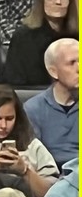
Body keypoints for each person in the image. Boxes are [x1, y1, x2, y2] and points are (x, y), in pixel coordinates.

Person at [0, 85, 60, 197]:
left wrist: (24, 171)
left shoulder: (32, 146)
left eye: (9, 119)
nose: (3, 126)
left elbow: (52, 194)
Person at [3, 0, 78, 86]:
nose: (58, 1)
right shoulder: (23, 37)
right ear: (41, 1)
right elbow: (14, 81)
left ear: (70, 2)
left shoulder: (77, 36)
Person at [24, 38, 79, 169]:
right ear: (53, 71)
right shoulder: (33, 109)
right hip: (50, 176)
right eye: (72, 63)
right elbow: (34, 158)